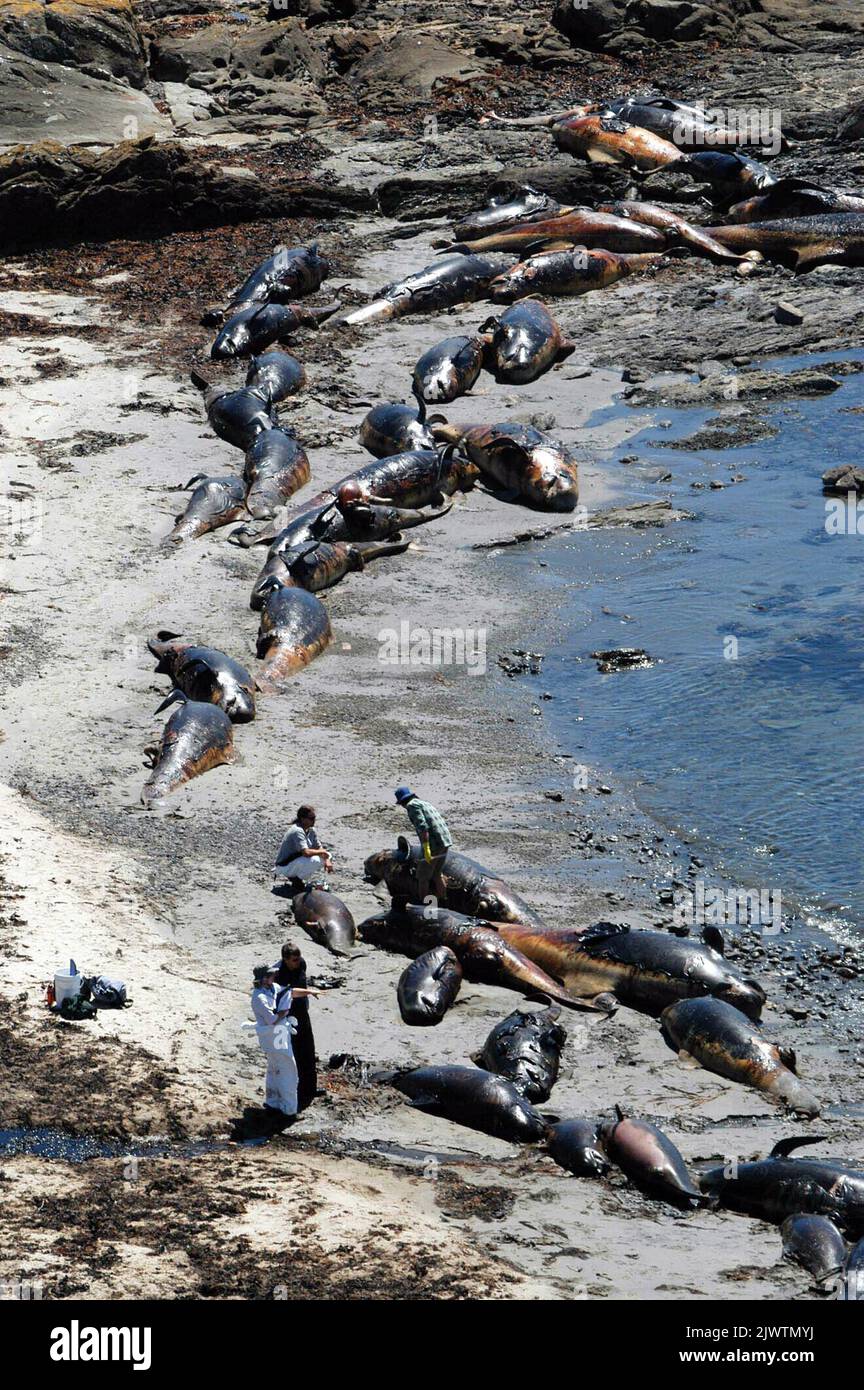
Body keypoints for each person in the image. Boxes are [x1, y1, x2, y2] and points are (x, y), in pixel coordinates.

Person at [250, 963, 319, 1118]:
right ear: (264, 979)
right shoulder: (259, 998)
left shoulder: (272, 988)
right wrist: (285, 1011)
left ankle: (273, 1102)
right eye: (271, 975)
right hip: (274, 1035)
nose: (274, 976)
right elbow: (272, 1019)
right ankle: (288, 1109)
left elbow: (290, 992)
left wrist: (310, 992)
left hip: (277, 1034)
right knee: (288, 1069)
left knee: (274, 1068)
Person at [275, 942, 318, 1112]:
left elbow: (303, 984)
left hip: (302, 1013)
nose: (297, 962)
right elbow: (288, 992)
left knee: (308, 1050)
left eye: (298, 958)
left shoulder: (302, 964)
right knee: (294, 1054)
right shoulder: (277, 973)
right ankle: (296, 1090)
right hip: (287, 1016)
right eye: (294, 960)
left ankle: (310, 1089)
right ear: (285, 959)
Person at [394, 786, 453, 905]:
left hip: (434, 843)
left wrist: (426, 849)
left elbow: (423, 828)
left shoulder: (412, 806)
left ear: (402, 802)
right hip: (445, 840)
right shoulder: (424, 803)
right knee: (437, 874)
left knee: (422, 877)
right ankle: (443, 901)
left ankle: (423, 904)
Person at [274, 805, 333, 894]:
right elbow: (306, 852)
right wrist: (323, 853)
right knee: (315, 860)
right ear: (302, 819)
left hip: (295, 861)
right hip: (284, 866)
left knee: (327, 855)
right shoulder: (297, 831)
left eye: (314, 818)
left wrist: (327, 859)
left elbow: (319, 848)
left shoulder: (311, 830)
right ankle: (296, 880)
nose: (314, 821)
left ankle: (298, 879)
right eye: (311, 818)